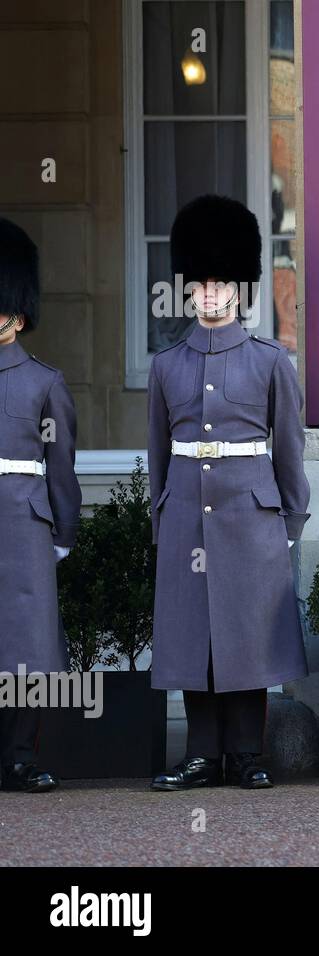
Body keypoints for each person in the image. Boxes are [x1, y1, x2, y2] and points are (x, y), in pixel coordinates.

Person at [148, 194, 309, 791]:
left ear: (240, 290)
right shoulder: (168, 367)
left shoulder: (270, 362)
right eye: (202, 285)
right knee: (195, 635)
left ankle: (246, 754)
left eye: (223, 285)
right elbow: (158, 456)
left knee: (247, 637)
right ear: (190, 290)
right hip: (188, 515)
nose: (212, 295)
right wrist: (163, 526)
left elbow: (289, 452)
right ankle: (201, 755)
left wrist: (289, 525)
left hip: (252, 517)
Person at [0, 217, 80, 793]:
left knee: (28, 646)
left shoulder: (44, 383)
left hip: (25, 523)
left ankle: (20, 757)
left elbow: (61, 469)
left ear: (16, 314)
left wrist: (63, 534)